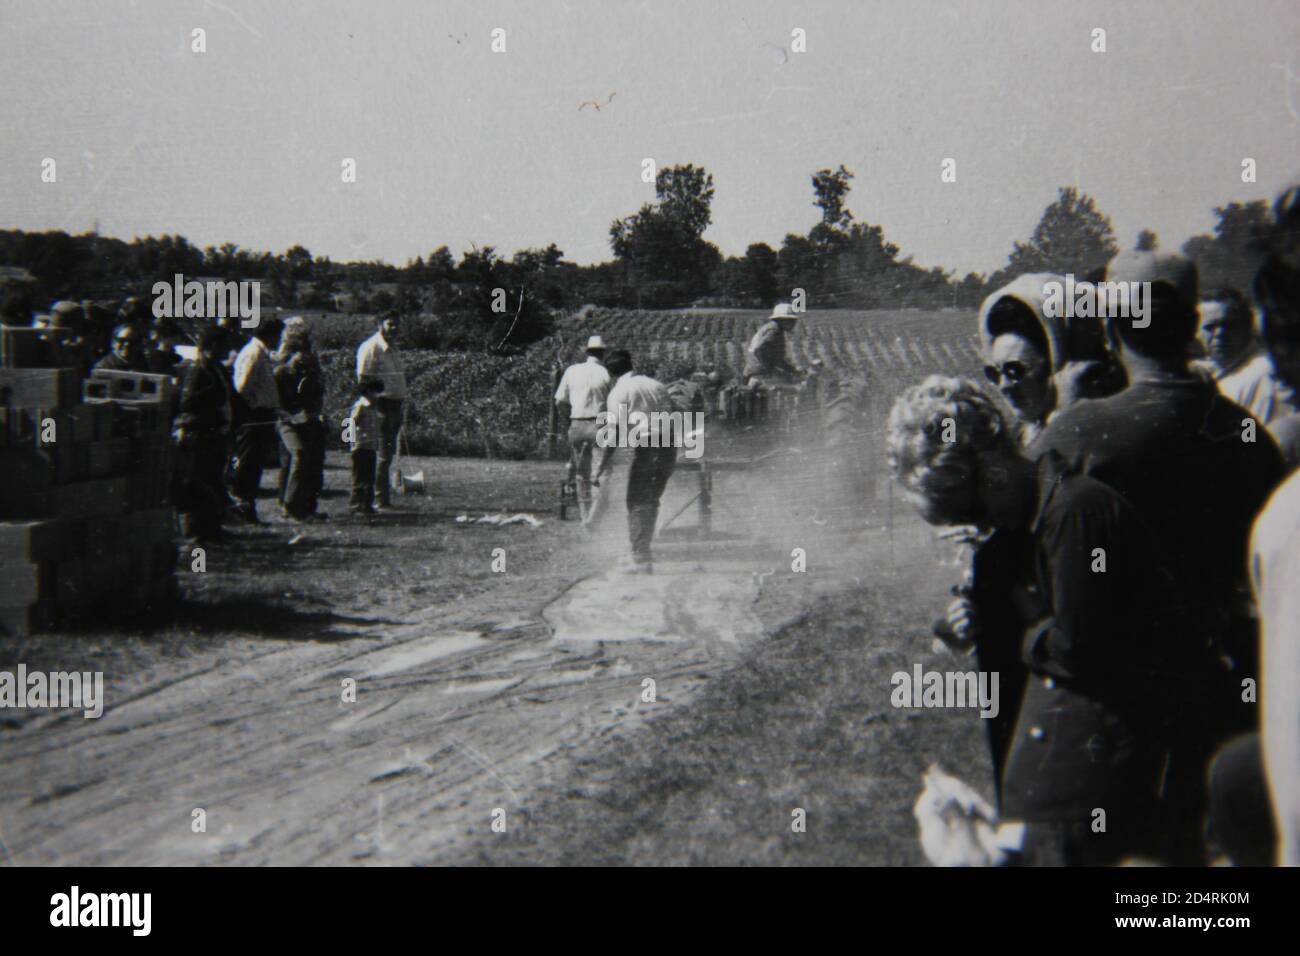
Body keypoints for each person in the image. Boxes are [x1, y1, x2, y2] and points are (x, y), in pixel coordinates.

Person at [888, 376, 1210, 865]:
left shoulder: (1076, 513)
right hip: (1062, 788)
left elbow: (1079, 648)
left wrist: (1026, 624)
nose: (981, 527)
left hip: (1104, 790)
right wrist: (981, 621)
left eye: (974, 509)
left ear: (990, 462)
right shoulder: (1033, 526)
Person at [977, 273, 1123, 446]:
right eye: (994, 373)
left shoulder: (1106, 431)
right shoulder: (1017, 438)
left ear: (1057, 364)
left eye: (1015, 371)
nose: (1004, 385)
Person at [593, 349, 678, 573]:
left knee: (638, 501)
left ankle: (641, 558)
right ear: (631, 364)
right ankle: (643, 551)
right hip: (669, 446)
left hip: (648, 447)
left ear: (610, 373)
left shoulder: (618, 393)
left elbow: (614, 433)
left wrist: (601, 465)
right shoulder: (656, 385)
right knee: (651, 499)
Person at [1198, 287, 1295, 425]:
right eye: (1210, 327)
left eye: (1229, 325)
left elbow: (1250, 437)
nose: (1220, 333)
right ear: (1197, 332)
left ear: (1248, 327)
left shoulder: (1262, 372)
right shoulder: (1213, 371)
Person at [174, 328, 233, 543]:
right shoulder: (198, 371)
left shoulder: (214, 368)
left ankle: (212, 528)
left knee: (214, 479)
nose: (229, 349)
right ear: (212, 347)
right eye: (225, 344)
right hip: (200, 434)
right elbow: (186, 403)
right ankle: (196, 532)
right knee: (199, 481)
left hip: (214, 434)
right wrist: (214, 410)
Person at [274, 318, 327, 521]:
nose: (303, 357)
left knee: (315, 461)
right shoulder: (281, 373)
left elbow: (317, 396)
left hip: (310, 420)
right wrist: (293, 417)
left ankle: (309, 507)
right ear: (291, 353)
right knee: (297, 457)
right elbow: (276, 405)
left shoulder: (312, 372)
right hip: (287, 422)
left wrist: (318, 414)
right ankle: (290, 506)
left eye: (307, 352)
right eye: (299, 353)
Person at [231, 317, 283, 524]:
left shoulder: (261, 353)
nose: (279, 341)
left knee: (255, 463)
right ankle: (242, 509)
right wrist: (254, 406)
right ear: (270, 335)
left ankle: (247, 508)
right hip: (254, 416)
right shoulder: (253, 353)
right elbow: (242, 388)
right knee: (249, 463)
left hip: (263, 414)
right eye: (278, 336)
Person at [356, 312, 407, 509]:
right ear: (379, 324)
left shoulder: (392, 348)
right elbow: (364, 380)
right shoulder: (371, 348)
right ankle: (378, 498)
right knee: (382, 455)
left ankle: (382, 496)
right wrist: (374, 404)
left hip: (395, 404)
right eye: (390, 324)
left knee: (388, 454)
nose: (394, 328)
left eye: (397, 325)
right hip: (381, 406)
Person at [555, 335, 612, 508]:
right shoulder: (606, 373)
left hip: (577, 424)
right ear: (603, 354)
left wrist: (569, 420)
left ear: (587, 352)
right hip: (598, 424)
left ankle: (583, 507)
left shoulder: (572, 371)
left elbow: (559, 401)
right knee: (600, 470)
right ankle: (596, 510)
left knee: (580, 469)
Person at [347, 377, 385, 515]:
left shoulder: (374, 407)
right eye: (376, 392)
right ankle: (355, 504)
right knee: (359, 477)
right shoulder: (360, 406)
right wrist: (351, 443)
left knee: (370, 477)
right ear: (368, 391)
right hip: (360, 447)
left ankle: (367, 505)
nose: (378, 395)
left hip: (371, 446)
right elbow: (350, 423)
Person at [743, 302, 801, 386]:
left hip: (756, 372)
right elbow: (759, 349)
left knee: (789, 380)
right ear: (782, 319)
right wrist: (768, 366)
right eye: (791, 320)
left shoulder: (771, 328)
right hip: (761, 374)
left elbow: (777, 359)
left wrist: (792, 370)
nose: (794, 323)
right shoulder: (774, 331)